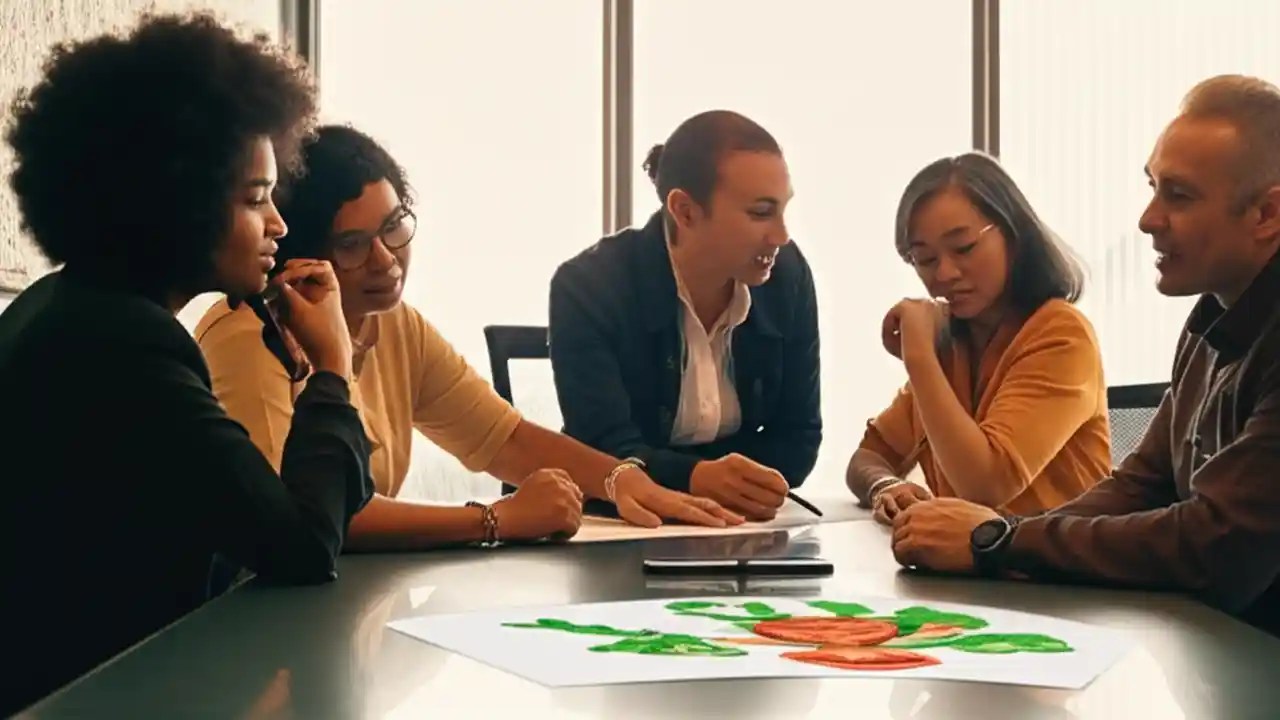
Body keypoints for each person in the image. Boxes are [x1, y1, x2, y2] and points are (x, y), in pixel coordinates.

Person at [0, 14, 374, 714]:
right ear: (178, 201)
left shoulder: (74, 311)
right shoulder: (120, 346)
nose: (280, 226)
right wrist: (331, 367)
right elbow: (299, 548)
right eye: (256, 199)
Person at [196, 124, 740, 550]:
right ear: (304, 254)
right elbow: (304, 521)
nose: (386, 259)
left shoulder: (392, 323)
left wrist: (623, 479)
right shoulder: (248, 337)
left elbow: (501, 437)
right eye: (353, 244)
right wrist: (494, 519)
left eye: (394, 226)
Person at [891, 74, 1280, 637]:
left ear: (1267, 215)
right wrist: (1002, 542)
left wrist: (997, 540)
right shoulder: (1209, 323)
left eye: (1180, 195)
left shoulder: (1057, 331)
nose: (1148, 219)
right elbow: (1142, 485)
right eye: (1152, 188)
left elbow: (1215, 543)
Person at [549, 110, 821, 521]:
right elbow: (602, 451)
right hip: (617, 524)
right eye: (761, 213)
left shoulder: (788, 276)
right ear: (685, 210)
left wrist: (720, 482)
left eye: (783, 210)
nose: (781, 236)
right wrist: (697, 477)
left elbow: (800, 441)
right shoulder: (587, 286)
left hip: (739, 526)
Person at [847, 153, 1110, 524]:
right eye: (924, 259)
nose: (945, 273)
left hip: (1055, 571)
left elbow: (986, 485)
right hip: (966, 567)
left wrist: (918, 357)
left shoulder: (1061, 335)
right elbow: (869, 456)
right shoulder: (953, 340)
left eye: (964, 247)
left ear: (1013, 235)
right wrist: (885, 485)